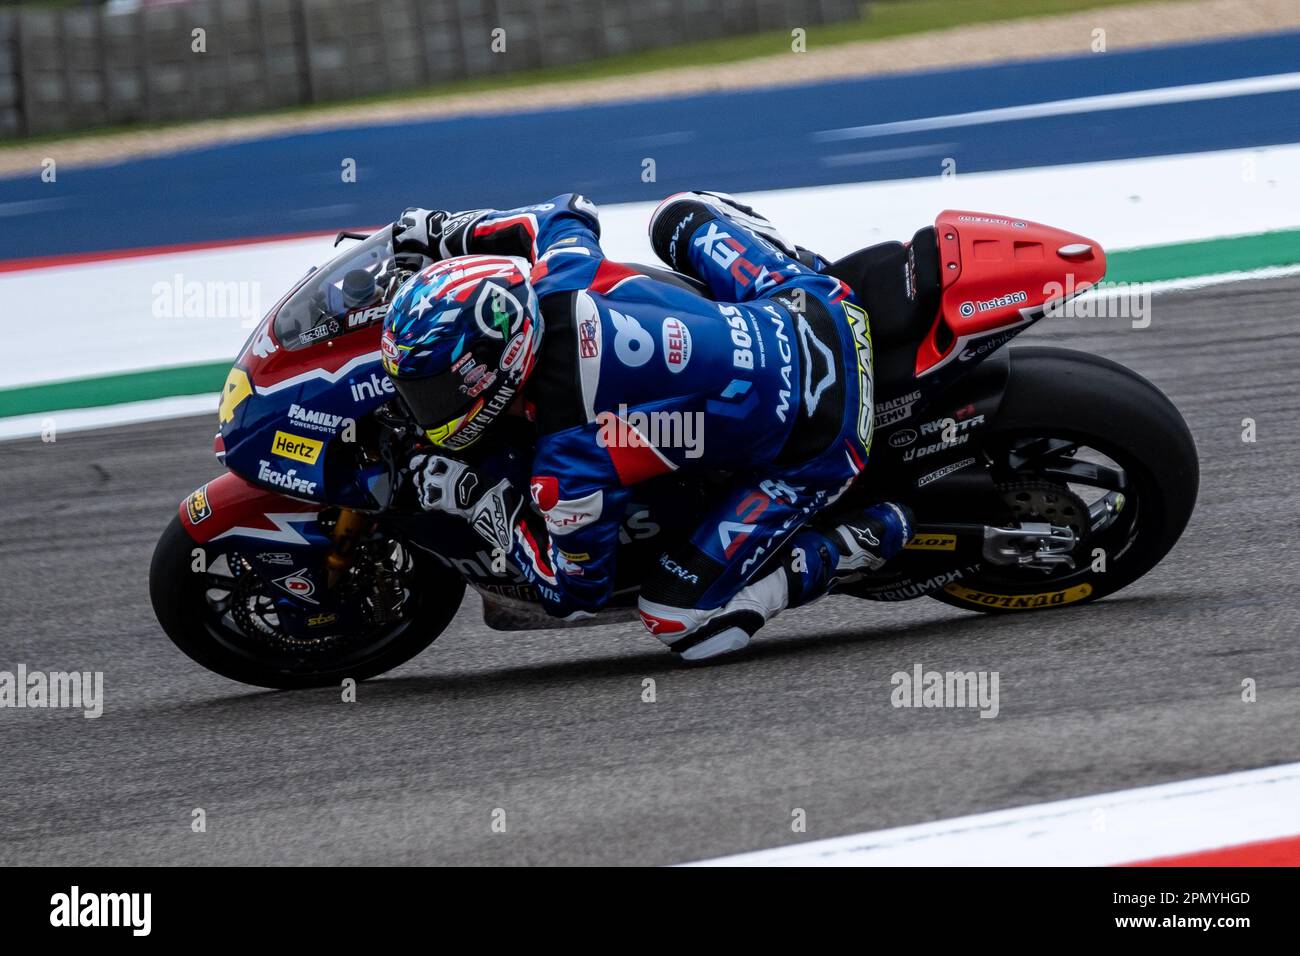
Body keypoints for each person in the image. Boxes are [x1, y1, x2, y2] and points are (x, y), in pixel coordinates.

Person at [382, 191, 912, 660]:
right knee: (676, 214)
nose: (422, 406)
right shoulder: (564, 270)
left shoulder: (570, 456)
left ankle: (863, 538)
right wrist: (441, 229)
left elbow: (573, 592)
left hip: (820, 441)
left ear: (495, 364)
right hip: (813, 301)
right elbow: (566, 211)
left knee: (679, 620)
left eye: (433, 391)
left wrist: (474, 497)